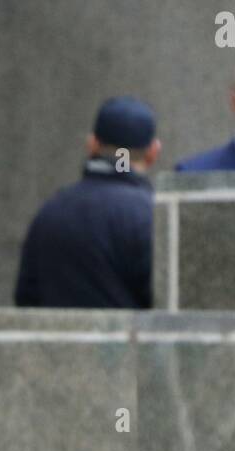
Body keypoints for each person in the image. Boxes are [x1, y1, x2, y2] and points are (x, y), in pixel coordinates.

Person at [14, 96, 160, 308]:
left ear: (92, 145)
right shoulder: (151, 215)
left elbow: (26, 297)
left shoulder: (51, 210)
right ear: (153, 152)